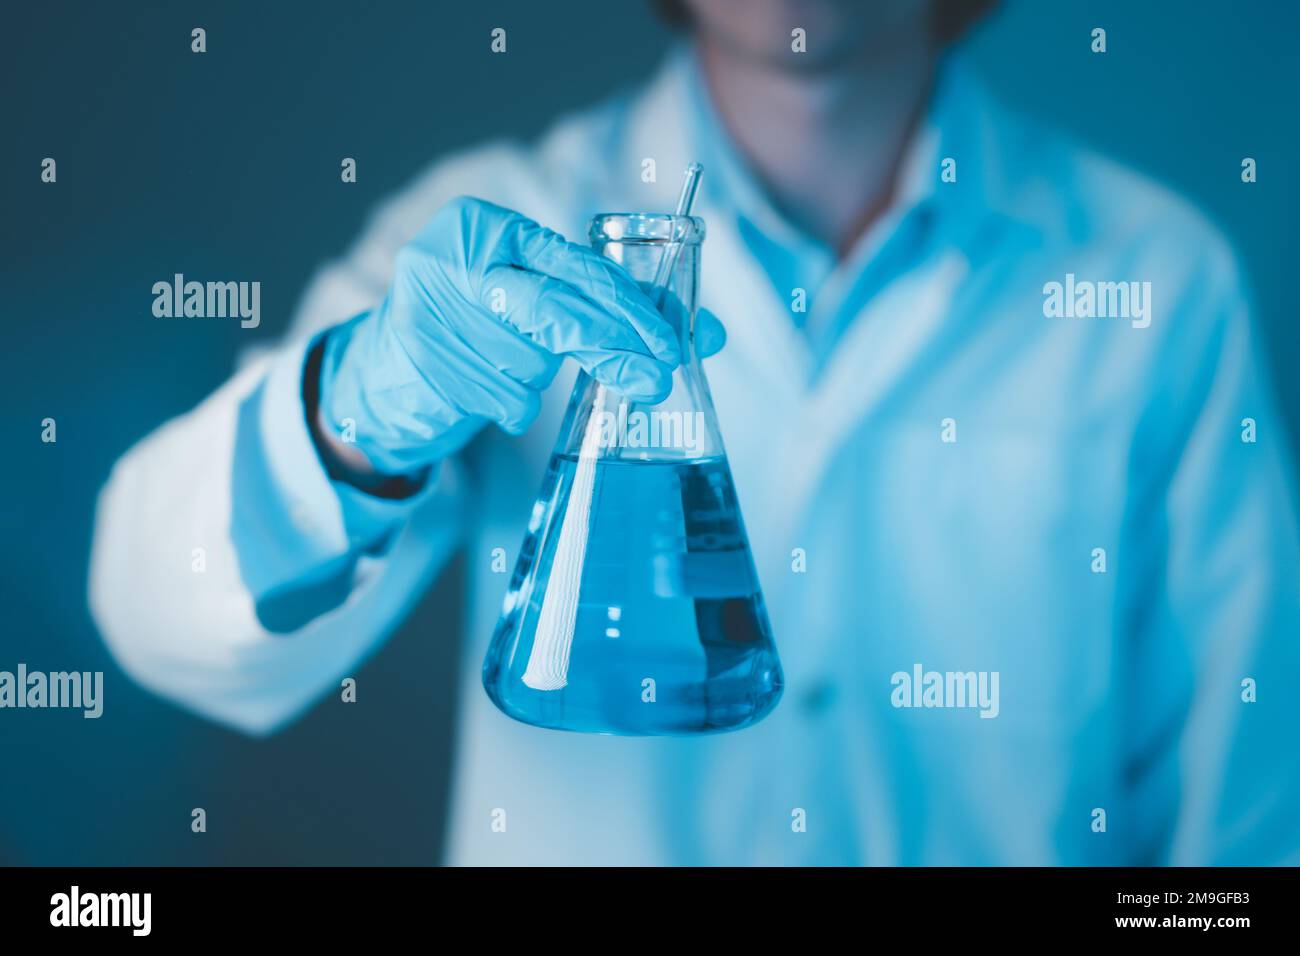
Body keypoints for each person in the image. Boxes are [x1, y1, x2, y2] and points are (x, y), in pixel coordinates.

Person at [88, 0, 1300, 865]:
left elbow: (1242, 812)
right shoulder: (499, 230)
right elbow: (155, 611)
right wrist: (361, 412)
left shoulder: (1152, 279)